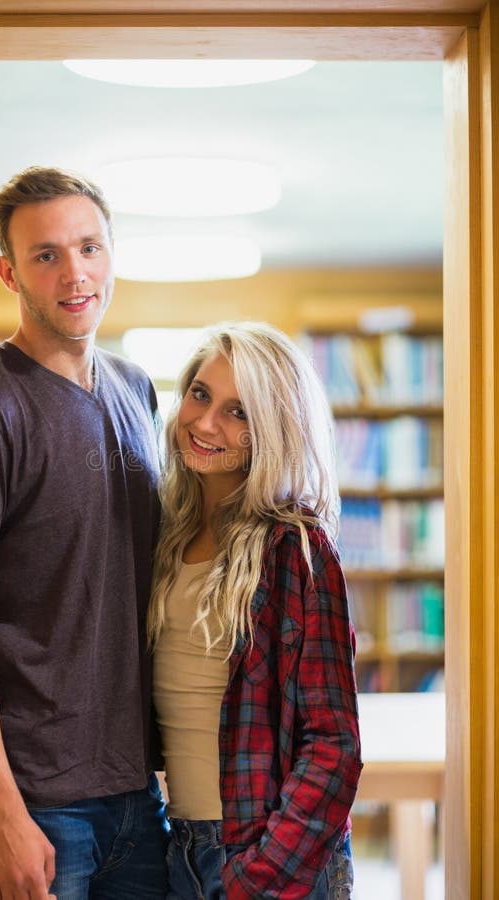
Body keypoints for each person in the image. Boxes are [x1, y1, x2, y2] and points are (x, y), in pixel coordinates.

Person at [0, 166, 169, 900]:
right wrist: (1, 815)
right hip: (34, 797)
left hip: (136, 790)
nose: (75, 273)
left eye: (90, 248)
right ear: (9, 272)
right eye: (46, 255)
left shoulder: (136, 389)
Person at [148, 321, 363, 900]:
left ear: (272, 428)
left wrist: (257, 874)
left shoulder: (297, 549)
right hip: (180, 846)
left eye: (239, 412)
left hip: (266, 858)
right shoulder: (165, 535)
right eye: (200, 394)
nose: (207, 423)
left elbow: (333, 745)